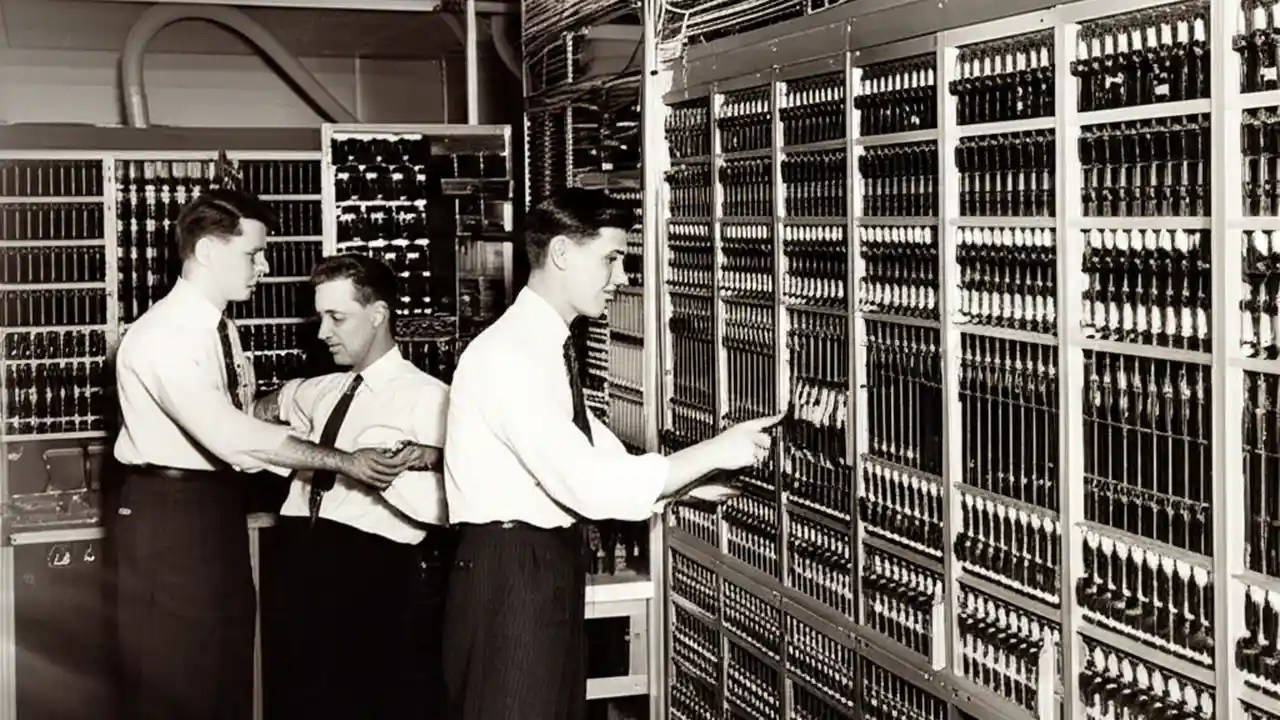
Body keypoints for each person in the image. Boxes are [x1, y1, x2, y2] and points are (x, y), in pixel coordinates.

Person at [442, 187, 780, 720]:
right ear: (561, 253)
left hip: (540, 566)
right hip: (512, 574)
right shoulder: (509, 356)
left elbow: (601, 456)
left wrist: (689, 483)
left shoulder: (544, 349)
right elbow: (589, 483)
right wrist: (716, 448)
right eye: (611, 258)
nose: (621, 277)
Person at [111, 189, 413, 720]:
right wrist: (342, 460)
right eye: (253, 254)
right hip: (170, 517)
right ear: (207, 251)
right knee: (178, 680)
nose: (264, 267)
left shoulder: (221, 329)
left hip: (213, 509)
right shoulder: (163, 336)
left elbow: (244, 417)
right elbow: (230, 434)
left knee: (223, 672)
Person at [252, 254, 451, 720]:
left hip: (371, 575)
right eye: (320, 317)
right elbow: (262, 409)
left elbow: (458, 490)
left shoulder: (430, 397)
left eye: (337, 317)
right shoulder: (321, 389)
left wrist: (427, 456)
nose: (323, 331)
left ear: (378, 314)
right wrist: (266, 413)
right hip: (297, 558)